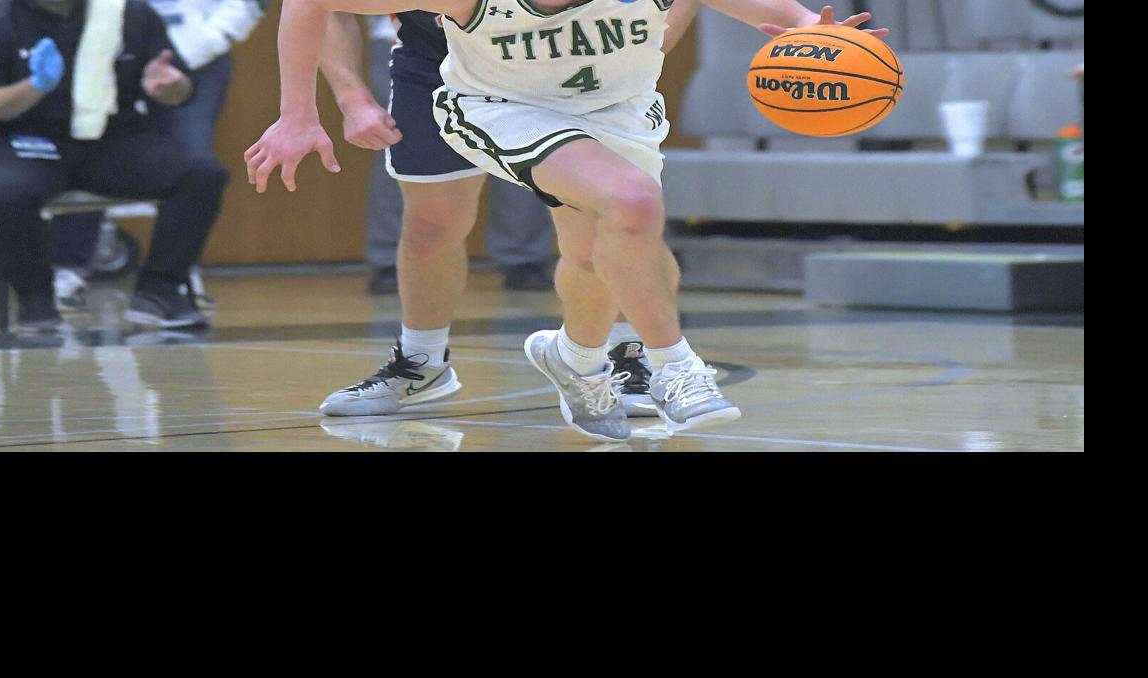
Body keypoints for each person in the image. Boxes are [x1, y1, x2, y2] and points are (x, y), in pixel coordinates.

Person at [249, 0, 885, 440]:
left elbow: (779, 14)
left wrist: (813, 32)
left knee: (597, 251)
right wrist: (307, 109)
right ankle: (673, 365)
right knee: (624, 204)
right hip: (494, 93)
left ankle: (579, 357)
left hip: (608, 94)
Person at [299, 3, 694, 419]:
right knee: (430, 226)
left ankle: (630, 353)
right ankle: (422, 364)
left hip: (567, 55)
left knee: (612, 215)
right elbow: (320, 6)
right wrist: (350, 97)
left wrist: (641, 47)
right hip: (439, 58)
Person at [0, 0, 230, 330]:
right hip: (18, 141)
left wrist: (170, 86)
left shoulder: (128, 15)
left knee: (201, 173)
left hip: (108, 140)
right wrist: (35, 85)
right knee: (2, 189)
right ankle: (37, 302)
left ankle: (160, 291)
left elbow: (182, 89)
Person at [50, 0, 264, 312]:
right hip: (107, 40)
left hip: (198, 52)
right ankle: (69, 268)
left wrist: (214, 36)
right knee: (91, 142)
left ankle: (179, 275)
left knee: (193, 164)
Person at [356, 13, 558, 295]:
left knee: (527, 143)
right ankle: (389, 259)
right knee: (398, 145)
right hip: (410, 36)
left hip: (516, 31)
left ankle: (525, 259)